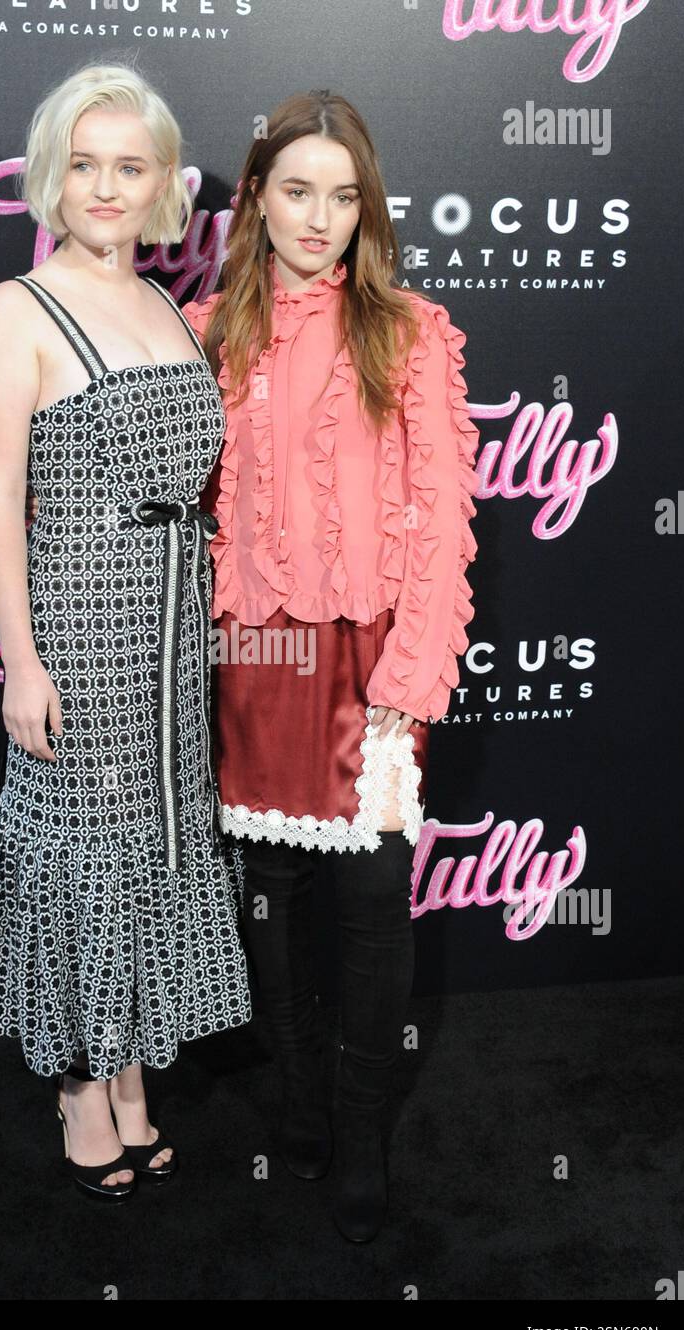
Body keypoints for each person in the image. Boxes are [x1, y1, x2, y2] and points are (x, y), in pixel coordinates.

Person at [179, 91, 481, 1242]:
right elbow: (192, 517)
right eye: (295, 191)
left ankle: (361, 1138)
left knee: (366, 914)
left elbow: (445, 517)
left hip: (367, 664)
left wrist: (408, 674)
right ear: (255, 198)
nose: (318, 218)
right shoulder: (207, 330)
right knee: (269, 912)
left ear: (367, 209)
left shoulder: (408, 330)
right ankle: (299, 1108)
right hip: (254, 657)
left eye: (341, 196)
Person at [0, 62, 252, 1202]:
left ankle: (131, 1069)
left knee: (154, 842)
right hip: (77, 622)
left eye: (128, 166)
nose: (104, 185)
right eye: (83, 164)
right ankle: (82, 1080)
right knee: (82, 848)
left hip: (171, 630)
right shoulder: (13, 312)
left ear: (162, 185)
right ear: (51, 175)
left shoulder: (168, 309)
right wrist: (21, 661)